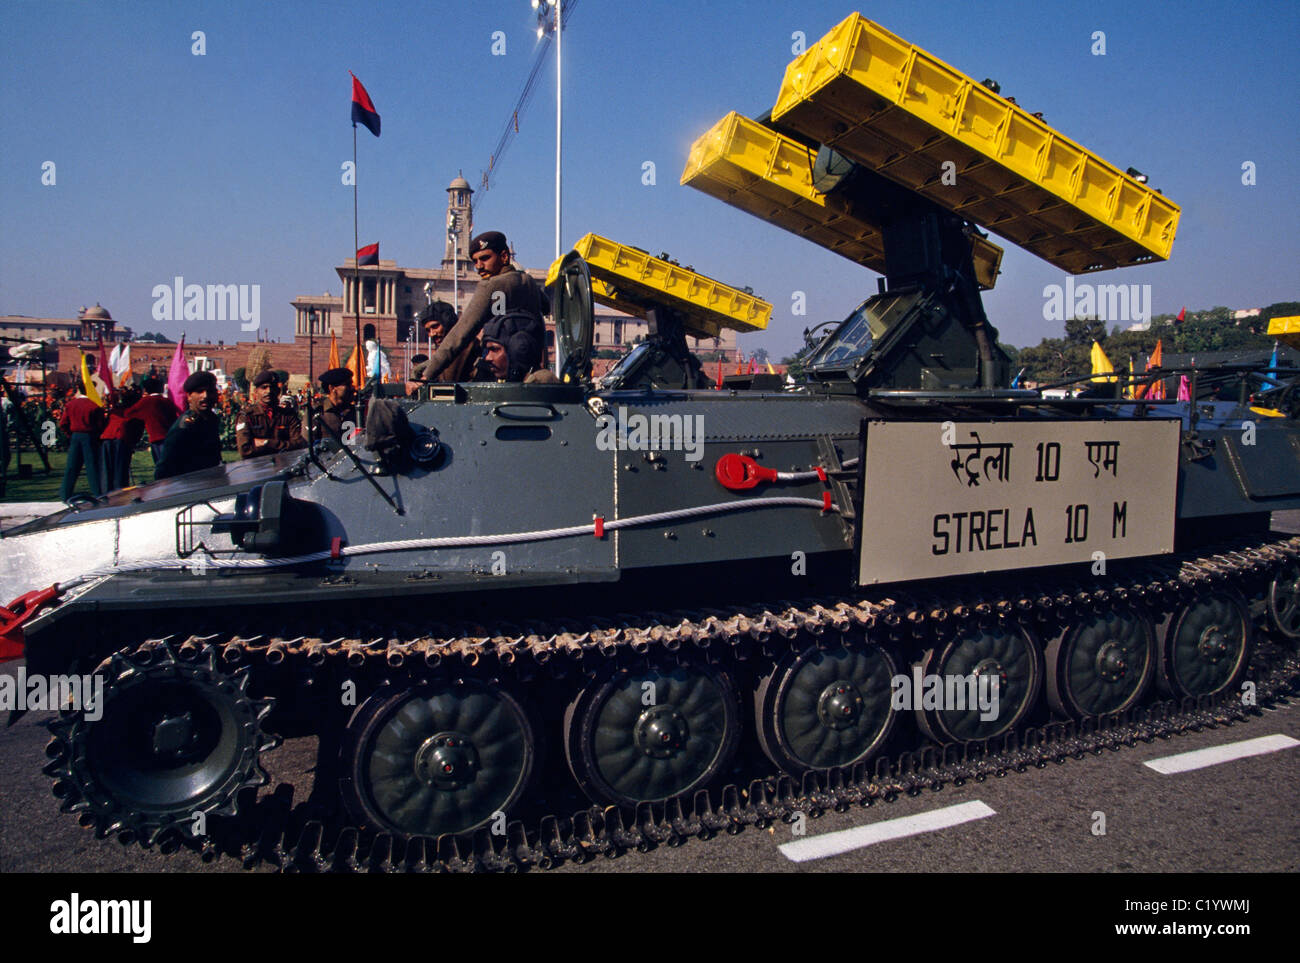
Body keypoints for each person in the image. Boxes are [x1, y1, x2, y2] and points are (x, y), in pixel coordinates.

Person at [407, 231, 548, 389]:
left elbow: (461, 333)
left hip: (496, 374)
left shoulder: (491, 285)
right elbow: (546, 306)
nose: (479, 266)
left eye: (485, 258)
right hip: (531, 371)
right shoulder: (528, 282)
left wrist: (427, 375)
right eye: (475, 261)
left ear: (504, 257)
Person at [154, 371, 222, 480]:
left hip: (210, 480)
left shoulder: (211, 419)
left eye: (210, 391)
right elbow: (164, 467)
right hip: (189, 484)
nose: (205, 396)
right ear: (189, 396)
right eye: (199, 392)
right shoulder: (185, 426)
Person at [235, 370, 305, 459]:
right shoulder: (247, 416)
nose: (268, 391)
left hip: (284, 465)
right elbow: (245, 449)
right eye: (264, 387)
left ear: (278, 391)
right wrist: (283, 445)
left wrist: (266, 443)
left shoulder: (287, 415)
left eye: (272, 387)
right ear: (256, 391)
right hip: (256, 468)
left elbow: (298, 444)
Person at [58, 379, 105, 501]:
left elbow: (63, 423)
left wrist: (70, 435)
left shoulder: (70, 405)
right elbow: (100, 425)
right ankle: (97, 493)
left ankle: (65, 494)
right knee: (92, 467)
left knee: (72, 467)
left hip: (75, 436)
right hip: (90, 437)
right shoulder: (94, 406)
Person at [419, 301, 480, 383]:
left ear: (447, 322)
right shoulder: (443, 352)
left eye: (435, 326)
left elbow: (450, 379)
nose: (432, 334)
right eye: (428, 330)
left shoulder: (465, 346)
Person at [124, 376, 178, 464]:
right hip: (170, 436)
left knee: (161, 466)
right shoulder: (167, 401)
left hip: (157, 439)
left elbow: (128, 413)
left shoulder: (146, 401)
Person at [314, 367, 356, 446]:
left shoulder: (354, 411)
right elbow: (307, 445)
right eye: (347, 384)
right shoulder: (317, 412)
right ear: (332, 388)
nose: (352, 388)